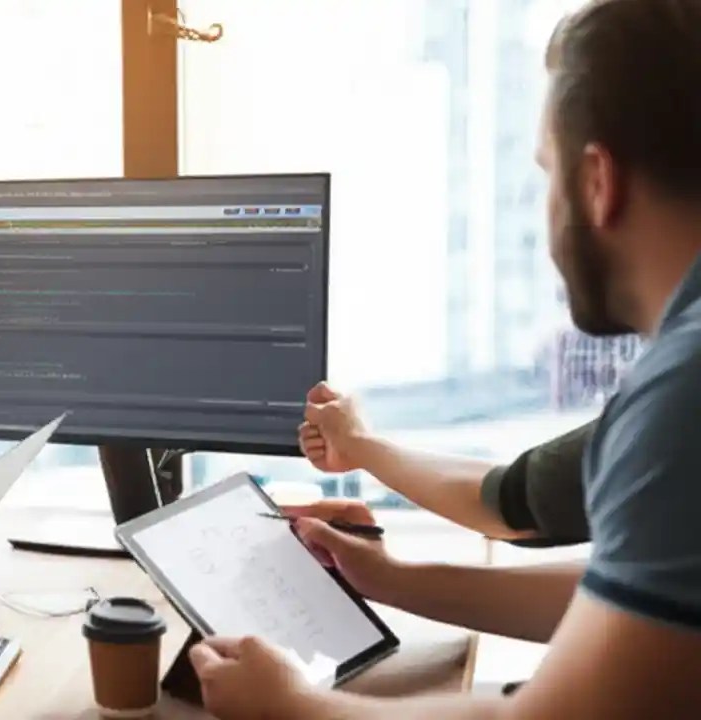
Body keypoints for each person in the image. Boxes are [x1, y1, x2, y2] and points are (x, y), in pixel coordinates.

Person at [191, 1, 701, 717]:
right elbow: (622, 593)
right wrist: (388, 578)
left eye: (544, 174)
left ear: (596, 182)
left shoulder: (684, 396)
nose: (542, 214)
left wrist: (287, 706)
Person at [297, 381, 591, 544]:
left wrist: (359, 445)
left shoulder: (636, 428)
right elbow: (512, 494)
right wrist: (360, 447)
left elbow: (509, 506)